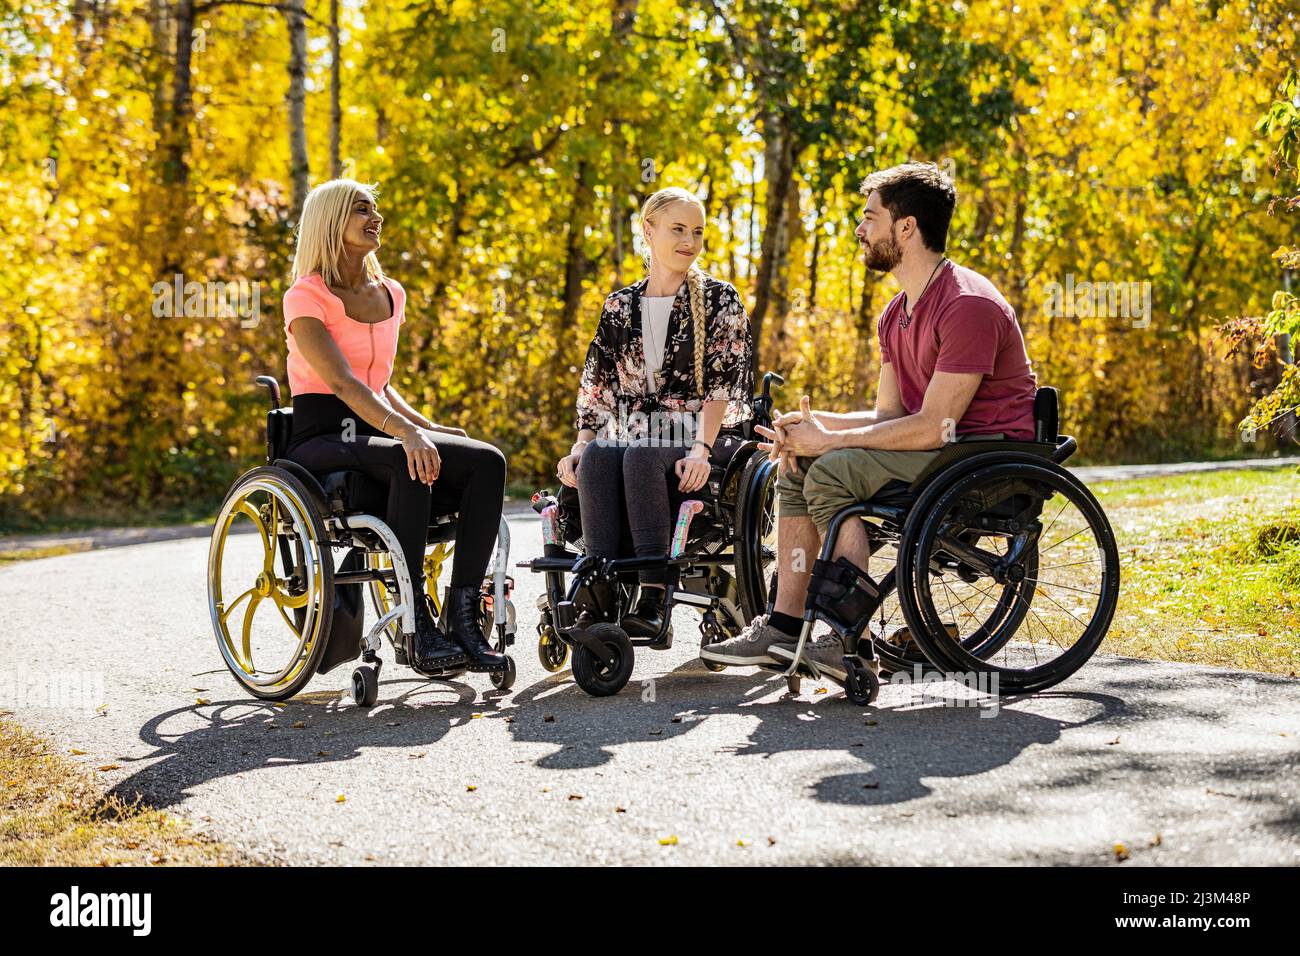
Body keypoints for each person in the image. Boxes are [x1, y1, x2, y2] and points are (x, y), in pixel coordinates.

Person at [700, 161, 1038, 679]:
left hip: (978, 455)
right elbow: (889, 417)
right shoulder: (895, 313)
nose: (860, 229)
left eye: (869, 218)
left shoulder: (967, 304)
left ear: (906, 228)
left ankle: (843, 638)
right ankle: (786, 627)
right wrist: (811, 429)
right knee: (795, 465)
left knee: (834, 469)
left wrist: (830, 445)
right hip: (937, 448)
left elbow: (934, 426)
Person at [280, 178, 508, 674]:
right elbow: (342, 382)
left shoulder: (391, 293)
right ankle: (415, 626)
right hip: (321, 434)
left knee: (486, 461)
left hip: (375, 422)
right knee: (407, 459)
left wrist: (427, 426)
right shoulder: (306, 296)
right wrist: (406, 434)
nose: (374, 217)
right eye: (361, 209)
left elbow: (379, 382)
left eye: (375, 209)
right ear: (331, 222)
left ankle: (464, 618)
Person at [556, 187, 754, 643]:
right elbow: (597, 387)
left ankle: (652, 590)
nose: (690, 241)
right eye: (678, 229)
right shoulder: (620, 307)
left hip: (706, 435)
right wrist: (582, 445)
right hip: (636, 436)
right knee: (604, 455)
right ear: (648, 231)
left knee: (640, 454)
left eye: (698, 231)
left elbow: (722, 389)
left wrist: (701, 449)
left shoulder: (719, 300)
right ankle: (601, 584)